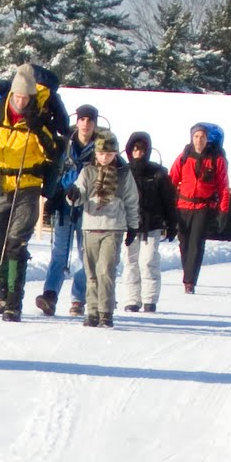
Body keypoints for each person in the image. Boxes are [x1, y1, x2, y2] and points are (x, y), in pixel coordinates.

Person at [0, 64, 65, 322]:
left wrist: (40, 131)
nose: (21, 102)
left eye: (25, 98)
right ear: (11, 94)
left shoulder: (39, 122)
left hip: (27, 187)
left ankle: (13, 302)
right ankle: (2, 289)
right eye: (18, 96)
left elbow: (53, 153)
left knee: (16, 245)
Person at [70, 131, 140, 328]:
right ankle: (92, 311)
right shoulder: (88, 172)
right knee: (91, 272)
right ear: (96, 153)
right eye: (101, 154)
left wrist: (133, 226)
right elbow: (80, 194)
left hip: (113, 227)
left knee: (105, 270)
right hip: (90, 226)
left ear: (115, 154)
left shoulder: (124, 174)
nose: (105, 158)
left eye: (109, 154)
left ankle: (105, 311)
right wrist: (73, 195)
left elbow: (131, 201)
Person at [37, 103, 98, 317]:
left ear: (94, 124)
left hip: (89, 208)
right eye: (83, 119)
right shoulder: (64, 145)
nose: (86, 124)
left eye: (90, 120)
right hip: (63, 205)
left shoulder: (101, 149)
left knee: (86, 255)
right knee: (59, 253)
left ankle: (78, 298)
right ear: (77, 121)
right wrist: (51, 195)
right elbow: (54, 169)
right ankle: (50, 295)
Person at [119, 131, 178, 313]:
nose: (139, 153)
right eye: (135, 149)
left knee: (148, 261)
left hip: (151, 224)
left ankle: (149, 299)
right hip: (128, 225)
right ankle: (131, 299)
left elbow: (168, 200)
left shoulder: (158, 173)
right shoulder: (123, 171)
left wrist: (171, 223)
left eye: (142, 149)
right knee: (130, 262)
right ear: (130, 151)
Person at [169, 123, 229, 294]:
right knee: (184, 244)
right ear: (191, 137)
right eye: (196, 136)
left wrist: (223, 210)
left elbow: (223, 187)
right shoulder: (184, 157)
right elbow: (172, 179)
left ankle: (189, 281)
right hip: (183, 205)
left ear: (207, 139)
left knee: (196, 244)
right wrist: (167, 203)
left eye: (202, 137)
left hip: (203, 206)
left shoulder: (216, 159)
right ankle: (188, 273)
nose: (199, 140)